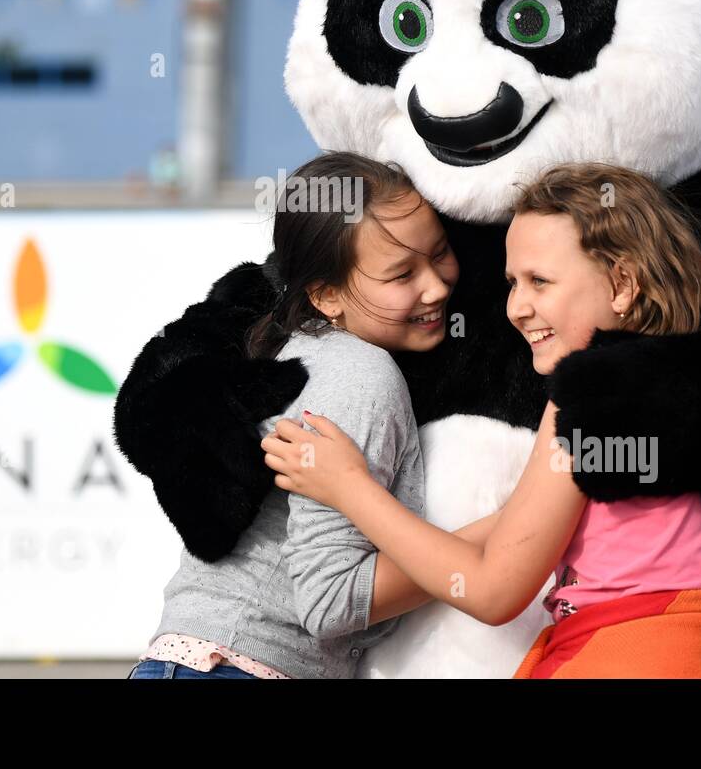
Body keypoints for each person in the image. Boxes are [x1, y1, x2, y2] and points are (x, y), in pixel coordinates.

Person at [264, 162, 701, 678]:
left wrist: (350, 486)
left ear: (621, 283)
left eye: (538, 280)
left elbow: (491, 590)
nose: (516, 308)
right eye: (511, 283)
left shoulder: (587, 395)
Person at [128, 151, 506, 678]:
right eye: (402, 275)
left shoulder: (306, 353)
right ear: (325, 295)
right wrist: (505, 531)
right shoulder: (360, 375)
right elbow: (331, 601)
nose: (437, 286)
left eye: (440, 253)